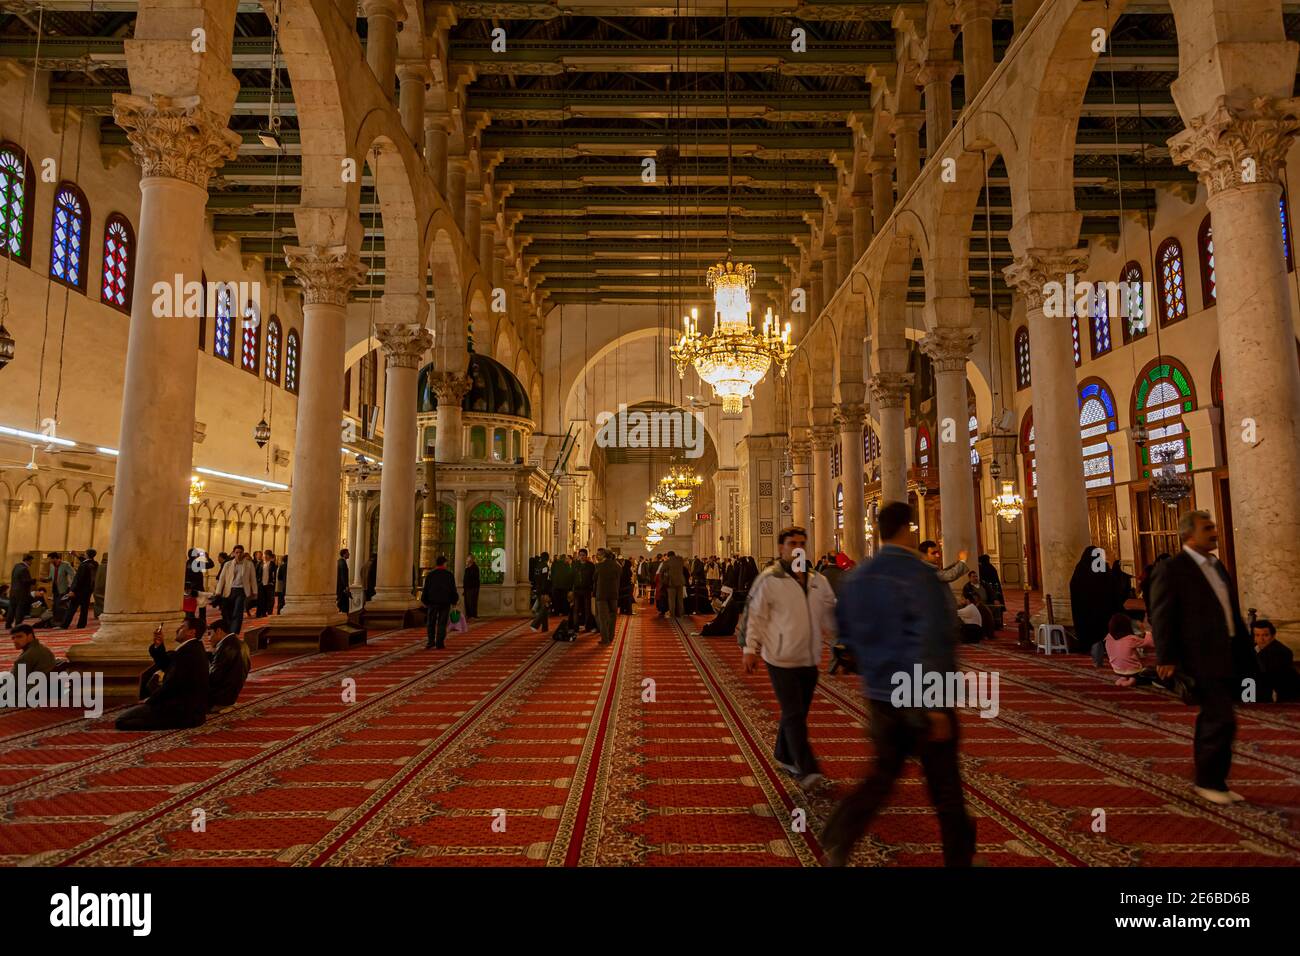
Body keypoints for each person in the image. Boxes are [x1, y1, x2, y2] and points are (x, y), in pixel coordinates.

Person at [822, 500, 976, 868]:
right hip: (921, 695)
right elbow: (935, 639)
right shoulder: (920, 576)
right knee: (946, 790)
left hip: (879, 694)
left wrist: (860, 659)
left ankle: (840, 833)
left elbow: (843, 628)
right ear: (908, 528)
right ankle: (960, 860)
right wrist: (937, 704)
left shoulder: (858, 577)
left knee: (881, 777)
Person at [1149, 510, 1254, 805]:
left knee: (1219, 718)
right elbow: (1162, 616)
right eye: (1207, 528)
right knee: (1219, 717)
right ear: (1189, 535)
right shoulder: (1172, 569)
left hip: (1227, 651)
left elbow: (1229, 611)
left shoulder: (1216, 566)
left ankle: (1213, 779)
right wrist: (1166, 657)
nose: (1214, 532)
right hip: (1198, 655)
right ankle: (1209, 781)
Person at [743, 527, 837, 791]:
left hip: (809, 659)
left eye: (801, 543)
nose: (797, 547)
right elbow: (756, 616)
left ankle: (783, 754)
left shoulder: (819, 581)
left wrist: (843, 642)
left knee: (797, 713)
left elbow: (831, 614)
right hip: (779, 657)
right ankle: (807, 768)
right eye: (791, 543)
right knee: (794, 713)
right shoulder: (769, 580)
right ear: (780, 548)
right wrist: (750, 648)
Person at [116, 617, 210, 731]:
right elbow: (167, 665)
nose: (178, 629)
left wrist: (151, 700)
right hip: (189, 710)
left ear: (192, 632)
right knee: (132, 715)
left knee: (122, 721)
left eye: (182, 627)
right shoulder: (193, 648)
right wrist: (158, 645)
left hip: (181, 711)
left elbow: (171, 684)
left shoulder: (187, 653)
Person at [1070, 546, 1127, 654]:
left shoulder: (1080, 570)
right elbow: (1114, 589)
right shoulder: (1102, 569)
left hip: (1083, 614)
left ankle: (1087, 646)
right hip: (1102, 613)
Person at [207, 619, 250, 712]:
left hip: (221, 697)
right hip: (231, 694)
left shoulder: (226, 647)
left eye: (210, 634)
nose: (209, 639)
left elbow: (214, 677)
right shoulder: (241, 643)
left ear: (219, 631)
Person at [212, 544, 257, 635]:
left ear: (243, 553)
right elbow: (222, 579)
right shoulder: (227, 564)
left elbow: (253, 579)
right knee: (228, 612)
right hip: (229, 590)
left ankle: (234, 632)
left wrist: (255, 592)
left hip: (241, 591)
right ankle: (228, 629)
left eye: (241, 552)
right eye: (237, 552)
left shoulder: (249, 564)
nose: (239, 554)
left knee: (237, 611)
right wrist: (218, 592)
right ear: (233, 553)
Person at [1252, 619, 1300, 703]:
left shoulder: (1283, 652)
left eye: (1265, 635)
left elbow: (1272, 677)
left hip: (1282, 693)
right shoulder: (1254, 648)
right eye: (1257, 635)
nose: (1261, 639)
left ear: (1273, 636)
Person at [1104, 613, 1157, 686]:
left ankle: (1123, 678)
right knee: (1150, 672)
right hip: (1133, 670)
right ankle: (1133, 679)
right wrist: (1148, 631)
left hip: (1117, 669)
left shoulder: (1108, 637)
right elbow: (1150, 643)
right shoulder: (1131, 639)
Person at [420, 554, 459, 650]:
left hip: (432, 602)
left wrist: (424, 601)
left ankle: (430, 642)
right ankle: (439, 643)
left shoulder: (431, 575)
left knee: (431, 622)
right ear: (444, 563)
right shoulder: (449, 575)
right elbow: (452, 590)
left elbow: (426, 589)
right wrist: (454, 601)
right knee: (442, 623)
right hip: (445, 602)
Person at [62, 548, 98, 630]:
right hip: (88, 591)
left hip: (78, 591)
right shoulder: (95, 564)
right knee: (84, 609)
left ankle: (64, 625)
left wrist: (72, 590)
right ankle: (81, 625)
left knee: (72, 609)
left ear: (87, 554)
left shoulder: (83, 566)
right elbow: (87, 562)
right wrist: (77, 555)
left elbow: (78, 579)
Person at [593, 548, 620, 645]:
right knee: (613, 616)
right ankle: (611, 636)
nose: (597, 556)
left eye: (599, 554)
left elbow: (594, 579)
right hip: (613, 594)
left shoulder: (599, 566)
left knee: (603, 618)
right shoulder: (617, 566)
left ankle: (605, 639)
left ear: (604, 555)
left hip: (602, 594)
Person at [6, 553, 34, 629]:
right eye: (31, 561)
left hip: (13, 591)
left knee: (11, 608)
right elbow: (25, 581)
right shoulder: (24, 569)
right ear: (28, 561)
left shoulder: (16, 566)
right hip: (21, 592)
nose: (31, 563)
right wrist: (34, 581)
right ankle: (18, 625)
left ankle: (8, 624)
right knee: (20, 609)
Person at [572, 548, 595, 632]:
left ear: (586, 556)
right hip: (577, 589)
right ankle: (575, 626)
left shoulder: (591, 566)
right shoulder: (575, 565)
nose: (582, 557)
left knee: (587, 609)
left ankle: (588, 626)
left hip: (587, 589)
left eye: (583, 555)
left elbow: (593, 579)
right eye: (580, 555)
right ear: (578, 556)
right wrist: (571, 589)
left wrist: (593, 590)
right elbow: (572, 577)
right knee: (576, 609)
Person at [662, 550, 686, 617]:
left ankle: (672, 614)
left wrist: (663, 581)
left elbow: (661, 572)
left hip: (671, 582)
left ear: (668, 556)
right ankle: (680, 613)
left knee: (671, 600)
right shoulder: (681, 560)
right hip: (680, 582)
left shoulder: (667, 562)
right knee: (680, 599)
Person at [48, 552, 73, 616]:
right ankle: (55, 617)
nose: (49, 561)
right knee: (55, 603)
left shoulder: (65, 564)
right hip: (55, 587)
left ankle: (63, 618)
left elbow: (73, 575)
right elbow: (50, 577)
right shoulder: (51, 566)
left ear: (55, 558)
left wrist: (72, 586)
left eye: (50, 559)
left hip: (63, 588)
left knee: (62, 604)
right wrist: (43, 579)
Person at [257, 550, 278, 618]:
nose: (265, 556)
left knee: (269, 599)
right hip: (261, 584)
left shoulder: (272, 564)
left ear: (270, 556)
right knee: (261, 599)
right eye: (264, 555)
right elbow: (256, 573)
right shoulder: (260, 563)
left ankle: (268, 611)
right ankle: (261, 612)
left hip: (269, 584)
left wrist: (273, 582)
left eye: (267, 555)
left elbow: (274, 574)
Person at [463, 555, 481, 619]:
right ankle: (469, 615)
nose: (467, 560)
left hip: (473, 588)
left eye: (468, 559)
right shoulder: (467, 568)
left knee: (472, 602)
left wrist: (467, 568)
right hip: (467, 588)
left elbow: (473, 577)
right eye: (467, 559)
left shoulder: (475, 568)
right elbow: (465, 579)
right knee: (467, 602)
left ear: (472, 560)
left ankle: (473, 615)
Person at [92, 553, 108, 618]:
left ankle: (97, 614)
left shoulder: (100, 566)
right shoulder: (108, 567)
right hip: (104, 586)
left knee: (98, 601)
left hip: (97, 586)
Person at [336, 549, 352, 614]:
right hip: (342, 588)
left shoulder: (339, 562)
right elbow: (343, 576)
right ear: (344, 554)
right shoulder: (342, 563)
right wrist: (346, 587)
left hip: (340, 587)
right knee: (344, 606)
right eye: (348, 553)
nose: (349, 554)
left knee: (341, 604)